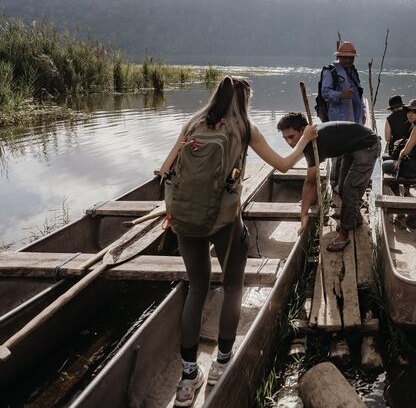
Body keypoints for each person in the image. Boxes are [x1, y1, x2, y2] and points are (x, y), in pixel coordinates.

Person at [157, 76, 317, 407]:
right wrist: (305, 141)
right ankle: (221, 363)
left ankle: (188, 377)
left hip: (185, 223)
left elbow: (164, 170)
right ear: (244, 100)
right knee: (232, 289)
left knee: (197, 289)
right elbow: (285, 167)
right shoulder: (245, 128)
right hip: (225, 225)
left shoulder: (192, 122)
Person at [277, 113, 380, 252]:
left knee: (350, 189)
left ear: (303, 131)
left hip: (367, 145)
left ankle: (344, 233)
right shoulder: (310, 140)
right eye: (285, 139)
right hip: (352, 146)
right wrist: (309, 203)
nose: (289, 142)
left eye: (291, 136)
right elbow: (312, 181)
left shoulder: (313, 142)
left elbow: (311, 182)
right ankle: (356, 218)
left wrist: (304, 213)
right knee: (342, 188)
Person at [319, 41, 366, 189]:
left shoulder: (353, 71)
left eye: (350, 57)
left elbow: (358, 93)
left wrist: (363, 113)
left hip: (354, 121)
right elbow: (325, 93)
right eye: (344, 57)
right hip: (338, 120)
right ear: (339, 57)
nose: (347, 60)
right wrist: (341, 95)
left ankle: (346, 183)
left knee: (351, 153)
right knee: (338, 153)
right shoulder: (331, 71)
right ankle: (334, 186)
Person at [382, 103, 416, 179]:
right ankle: (406, 190)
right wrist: (404, 141)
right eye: (409, 112)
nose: (410, 115)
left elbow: (405, 151)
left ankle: (398, 189)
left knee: (385, 165)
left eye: (414, 112)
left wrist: (399, 159)